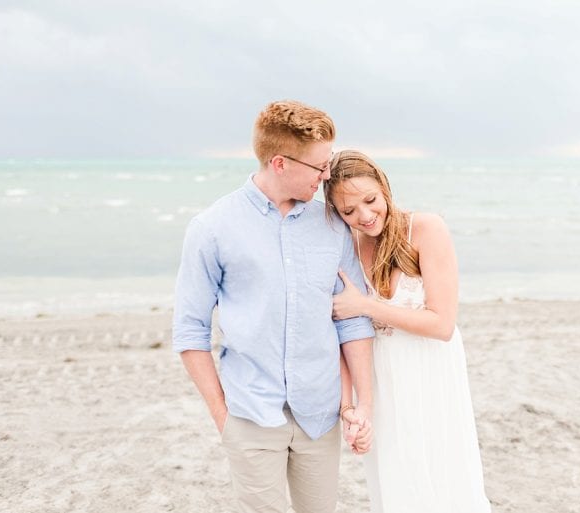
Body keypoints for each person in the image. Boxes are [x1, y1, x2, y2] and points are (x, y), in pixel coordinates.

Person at [172, 101, 375, 513]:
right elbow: (190, 331)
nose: (327, 176)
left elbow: (352, 322)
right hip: (249, 413)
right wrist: (221, 415)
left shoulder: (334, 226)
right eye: (320, 167)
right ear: (280, 163)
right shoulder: (212, 228)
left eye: (329, 162)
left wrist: (361, 406)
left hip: (321, 413)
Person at [325, 150, 491, 513]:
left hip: (431, 368)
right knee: (395, 474)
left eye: (370, 201)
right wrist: (351, 404)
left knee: (440, 469)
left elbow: (442, 324)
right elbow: (344, 332)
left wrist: (366, 306)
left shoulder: (426, 228)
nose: (365, 217)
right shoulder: (348, 246)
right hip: (381, 375)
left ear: (383, 187)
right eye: (348, 212)